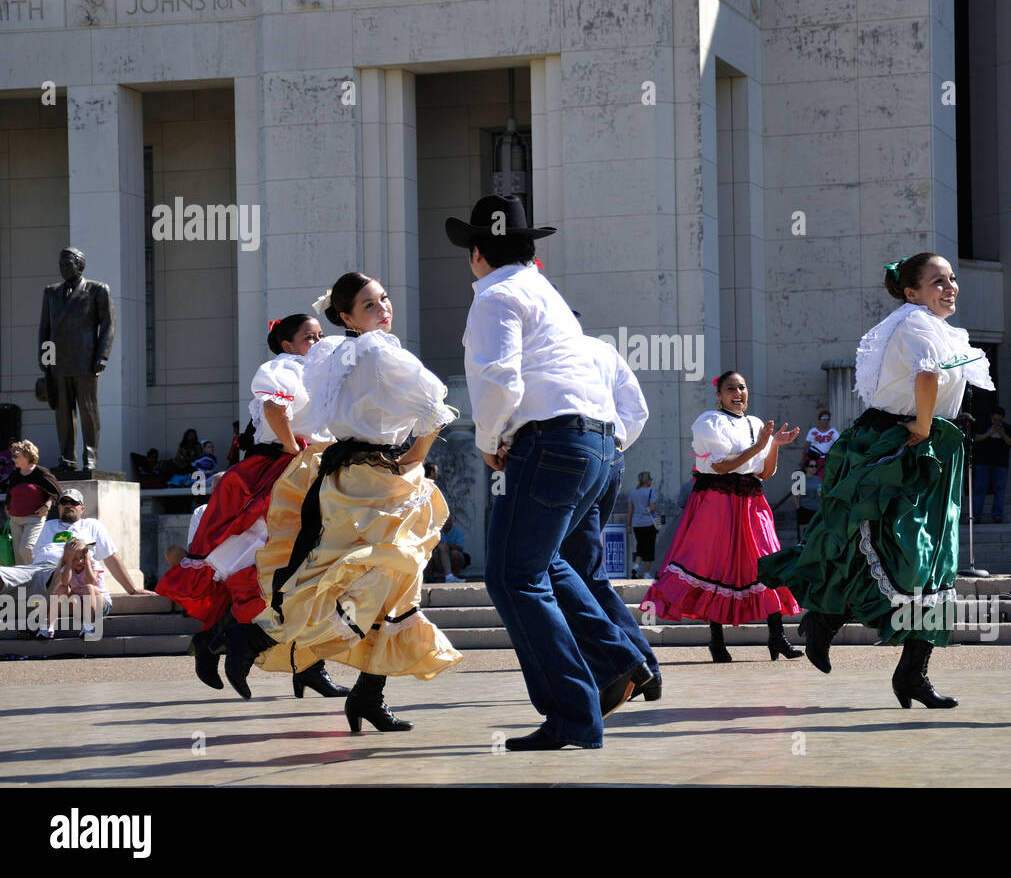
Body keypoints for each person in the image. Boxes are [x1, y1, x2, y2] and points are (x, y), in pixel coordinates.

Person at [455, 193, 649, 751]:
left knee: (513, 576)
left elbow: (497, 378)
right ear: (526, 247)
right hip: (593, 443)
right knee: (542, 564)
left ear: (476, 253)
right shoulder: (546, 292)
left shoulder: (494, 297)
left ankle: (574, 711)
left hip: (550, 442)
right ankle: (614, 661)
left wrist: (490, 440)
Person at [232, 273, 462, 732]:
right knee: (364, 577)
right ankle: (252, 638)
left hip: (355, 476)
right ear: (346, 317)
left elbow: (315, 415)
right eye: (369, 305)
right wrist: (416, 454)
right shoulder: (377, 350)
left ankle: (367, 694)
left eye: (383, 299)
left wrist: (408, 456)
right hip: (375, 481)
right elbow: (436, 403)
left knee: (386, 582)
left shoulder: (333, 352)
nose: (383, 309)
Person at [760, 253, 992, 709]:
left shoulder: (934, 327)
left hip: (928, 447)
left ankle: (910, 673)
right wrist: (924, 426)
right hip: (901, 443)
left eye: (952, 279)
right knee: (895, 552)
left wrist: (929, 430)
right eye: (937, 282)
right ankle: (828, 616)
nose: (950, 287)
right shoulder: (914, 324)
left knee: (932, 562)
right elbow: (927, 375)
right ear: (912, 292)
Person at [155, 314, 347, 699]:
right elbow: (277, 412)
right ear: (287, 344)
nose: (319, 341)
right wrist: (296, 452)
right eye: (310, 337)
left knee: (296, 570)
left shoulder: (317, 374)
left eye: (321, 335)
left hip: (303, 472)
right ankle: (223, 642)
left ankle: (228, 645)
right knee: (268, 567)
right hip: (279, 474)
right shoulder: (282, 368)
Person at [640, 370, 804, 664]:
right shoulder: (708, 422)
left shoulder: (756, 424)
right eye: (731, 388)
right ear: (719, 394)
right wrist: (759, 445)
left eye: (742, 387)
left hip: (752, 501)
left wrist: (774, 445)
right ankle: (717, 641)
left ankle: (777, 636)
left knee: (769, 560)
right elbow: (721, 467)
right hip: (719, 502)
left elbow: (764, 473)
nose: (738, 393)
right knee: (716, 566)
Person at [561, 334, 660, 700]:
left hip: (572, 457)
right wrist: (613, 443)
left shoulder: (544, 345)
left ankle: (628, 664)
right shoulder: (603, 349)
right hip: (608, 455)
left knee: (568, 570)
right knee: (585, 571)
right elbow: (638, 410)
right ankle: (635, 665)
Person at [1, 488, 153, 622]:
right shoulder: (48, 526)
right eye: (64, 502)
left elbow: (111, 558)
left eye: (73, 503)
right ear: (59, 507)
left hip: (66, 573)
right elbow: (36, 558)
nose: (68, 505)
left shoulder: (92, 526)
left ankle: (44, 624)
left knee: (60, 569)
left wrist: (132, 589)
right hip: (39, 570)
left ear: (82, 508)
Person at [39, 247, 116, 471]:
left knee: (88, 410)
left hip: (86, 360)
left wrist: (103, 355)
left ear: (80, 265)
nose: (63, 268)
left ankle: (90, 456)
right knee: (63, 412)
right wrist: (45, 358)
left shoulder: (97, 290)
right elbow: (46, 328)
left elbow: (109, 324)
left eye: (68, 264)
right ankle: (67, 458)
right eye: (61, 264)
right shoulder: (51, 292)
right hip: (58, 362)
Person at [1, 440, 61, 565]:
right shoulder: (15, 473)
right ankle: (22, 585)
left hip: (34, 519)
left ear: (27, 456)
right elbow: (11, 491)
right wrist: (8, 505)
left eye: (16, 456)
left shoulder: (41, 473)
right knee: (18, 557)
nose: (13, 459)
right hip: (15, 520)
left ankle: (40, 577)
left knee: (27, 549)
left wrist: (46, 506)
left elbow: (56, 492)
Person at [47, 537, 109, 639]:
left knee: (88, 587)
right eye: (74, 558)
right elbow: (65, 582)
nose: (79, 561)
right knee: (62, 588)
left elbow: (91, 582)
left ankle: (89, 626)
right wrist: (69, 562)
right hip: (79, 606)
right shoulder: (67, 567)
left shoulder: (93, 563)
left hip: (99, 604)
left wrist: (88, 562)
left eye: (82, 557)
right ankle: (49, 626)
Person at [971, 406, 1011, 523]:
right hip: (983, 463)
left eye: (999, 420)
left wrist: (1002, 434)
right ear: (991, 418)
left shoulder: (1007, 428)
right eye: (995, 420)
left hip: (1001, 464)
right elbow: (975, 438)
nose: (997, 422)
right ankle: (976, 516)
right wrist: (988, 433)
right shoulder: (984, 426)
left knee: (999, 490)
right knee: (979, 490)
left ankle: (997, 516)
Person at [625, 472, 658, 579]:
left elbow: (630, 510)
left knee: (640, 547)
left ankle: (636, 566)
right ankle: (646, 573)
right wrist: (650, 509)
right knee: (649, 549)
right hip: (648, 523)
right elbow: (652, 508)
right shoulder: (651, 492)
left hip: (636, 524)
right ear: (648, 481)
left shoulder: (633, 493)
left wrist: (628, 525)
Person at [800, 411, 839, 477]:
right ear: (819, 419)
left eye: (828, 419)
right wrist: (803, 459)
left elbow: (839, 445)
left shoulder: (833, 432)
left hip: (826, 460)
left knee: (823, 477)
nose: (826, 421)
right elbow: (806, 446)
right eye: (824, 418)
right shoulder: (812, 431)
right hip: (813, 459)